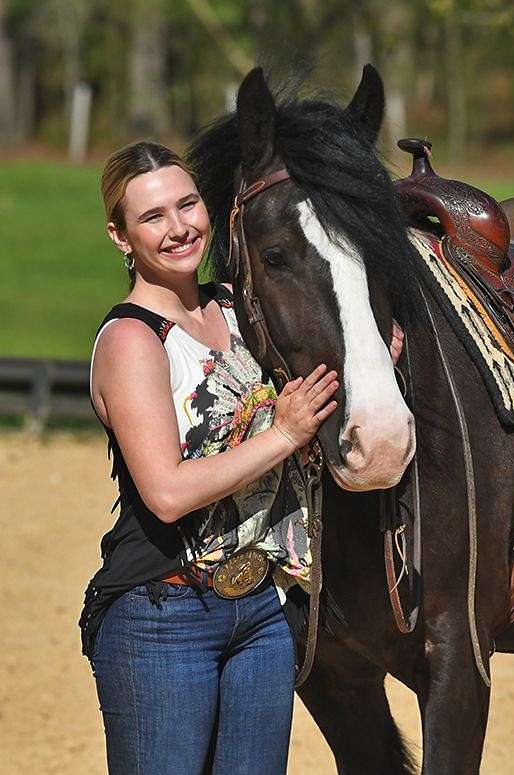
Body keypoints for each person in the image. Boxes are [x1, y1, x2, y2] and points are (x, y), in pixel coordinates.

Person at [79, 140, 403, 774]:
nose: (178, 228)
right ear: (120, 236)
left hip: (261, 613)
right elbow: (166, 491)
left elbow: (313, 384)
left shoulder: (237, 308)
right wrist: (281, 435)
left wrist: (368, 370)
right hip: (162, 614)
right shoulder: (131, 340)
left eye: (188, 204)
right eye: (152, 217)